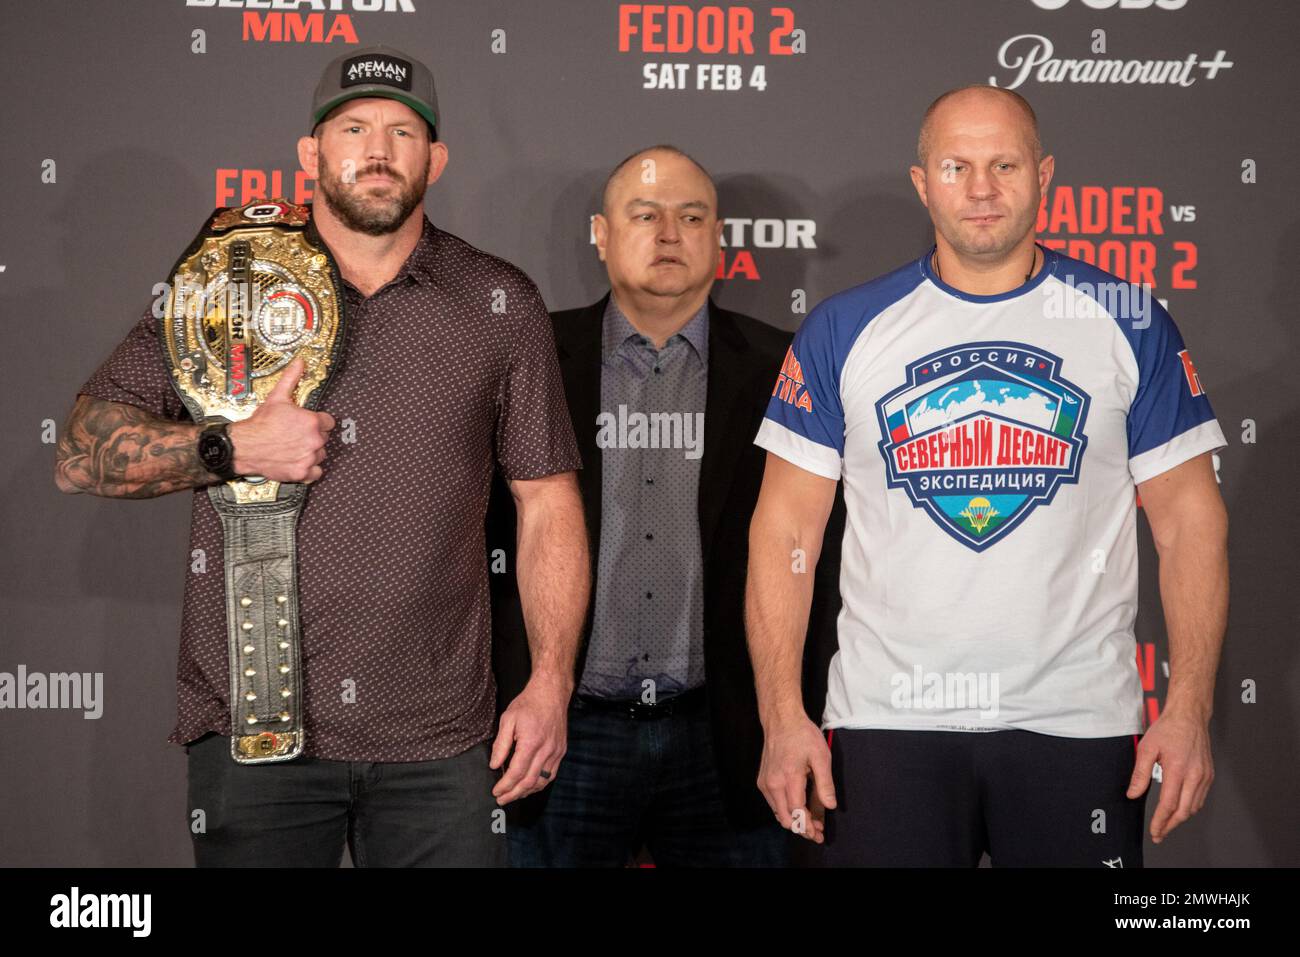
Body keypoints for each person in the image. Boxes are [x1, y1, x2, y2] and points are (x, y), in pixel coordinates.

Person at [53, 44, 589, 867]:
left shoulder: (499, 302)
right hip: (257, 731)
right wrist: (228, 446)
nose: (378, 150)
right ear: (310, 154)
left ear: (437, 159)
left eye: (403, 132)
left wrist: (550, 683)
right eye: (353, 128)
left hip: (441, 742)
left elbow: (546, 499)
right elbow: (80, 450)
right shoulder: (223, 287)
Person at [745, 85, 1228, 867]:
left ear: (1044, 175)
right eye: (956, 166)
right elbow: (784, 531)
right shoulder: (845, 326)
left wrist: (1190, 709)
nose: (980, 188)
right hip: (886, 722)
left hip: (1076, 722)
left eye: (1004, 165)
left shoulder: (1128, 320)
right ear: (921, 182)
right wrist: (780, 716)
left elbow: (1190, 523)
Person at [488, 145, 844, 866]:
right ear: (601, 233)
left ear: (720, 237)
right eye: (645, 215)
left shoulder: (787, 366)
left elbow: (817, 555)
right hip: (563, 730)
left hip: (729, 733)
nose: (670, 234)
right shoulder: (529, 354)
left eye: (692, 217)